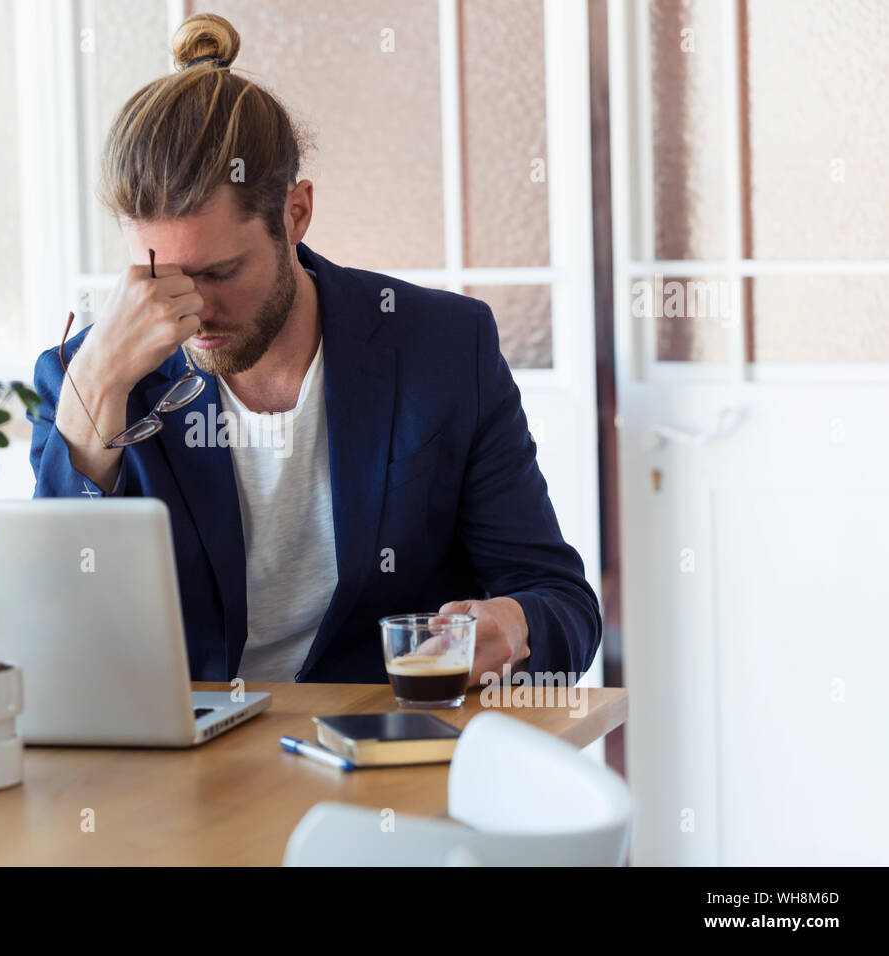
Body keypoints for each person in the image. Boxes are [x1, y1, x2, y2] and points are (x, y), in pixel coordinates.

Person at [29, 13, 600, 686]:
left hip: (381, 753)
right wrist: (95, 382)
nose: (195, 311)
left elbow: (563, 604)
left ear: (295, 213)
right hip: (185, 768)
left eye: (219, 273)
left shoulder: (443, 349)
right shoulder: (89, 377)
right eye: (161, 278)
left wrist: (513, 623)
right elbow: (54, 634)